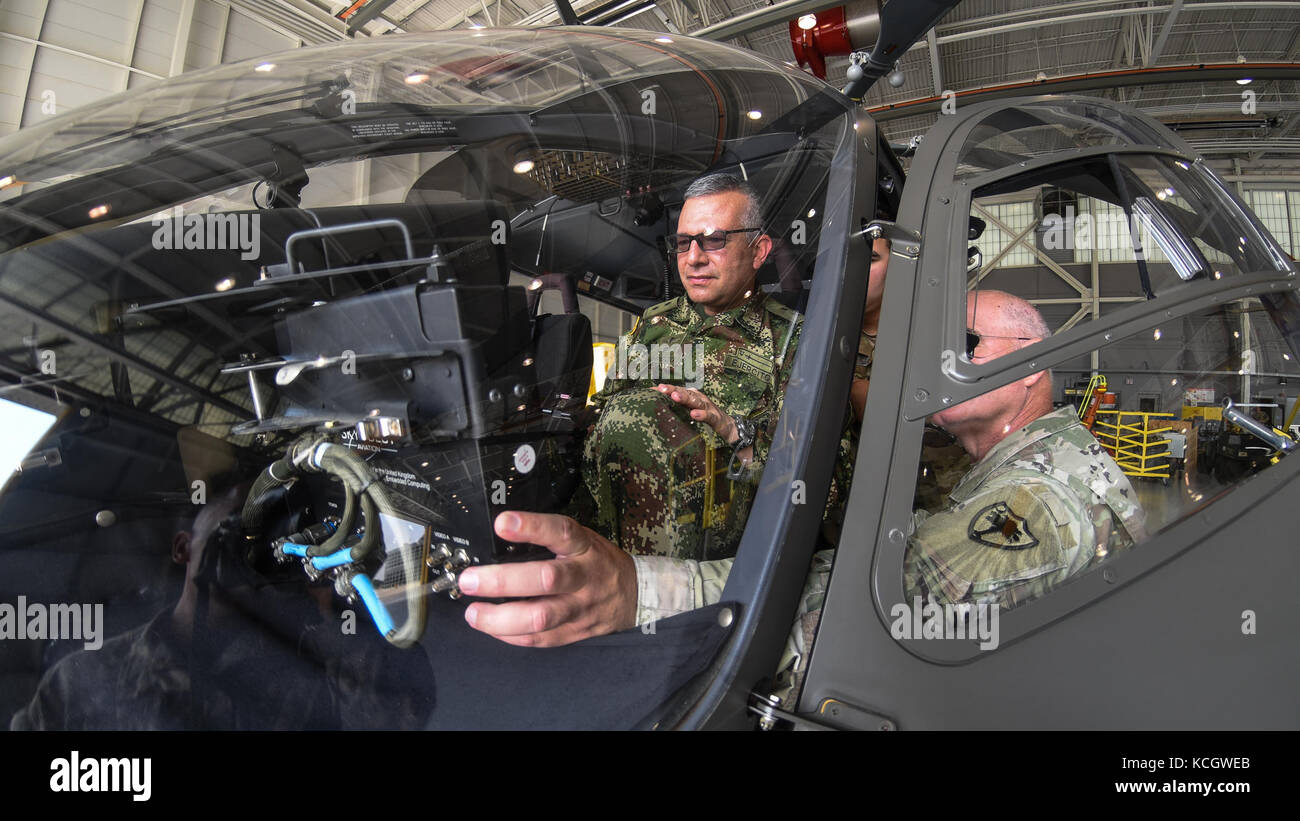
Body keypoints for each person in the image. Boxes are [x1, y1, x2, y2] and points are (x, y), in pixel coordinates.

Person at [459, 171, 813, 646]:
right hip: (604, 556)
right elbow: (604, 412)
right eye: (685, 242)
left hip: (701, 583)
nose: (694, 258)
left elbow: (825, 487)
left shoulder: (795, 341)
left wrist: (735, 433)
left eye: (714, 241)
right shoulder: (653, 325)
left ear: (760, 249)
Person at [903, 290, 1148, 609]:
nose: (939, 364)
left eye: (964, 344)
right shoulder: (1038, 459)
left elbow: (883, 608)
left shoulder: (1032, 500)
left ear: (1029, 364)